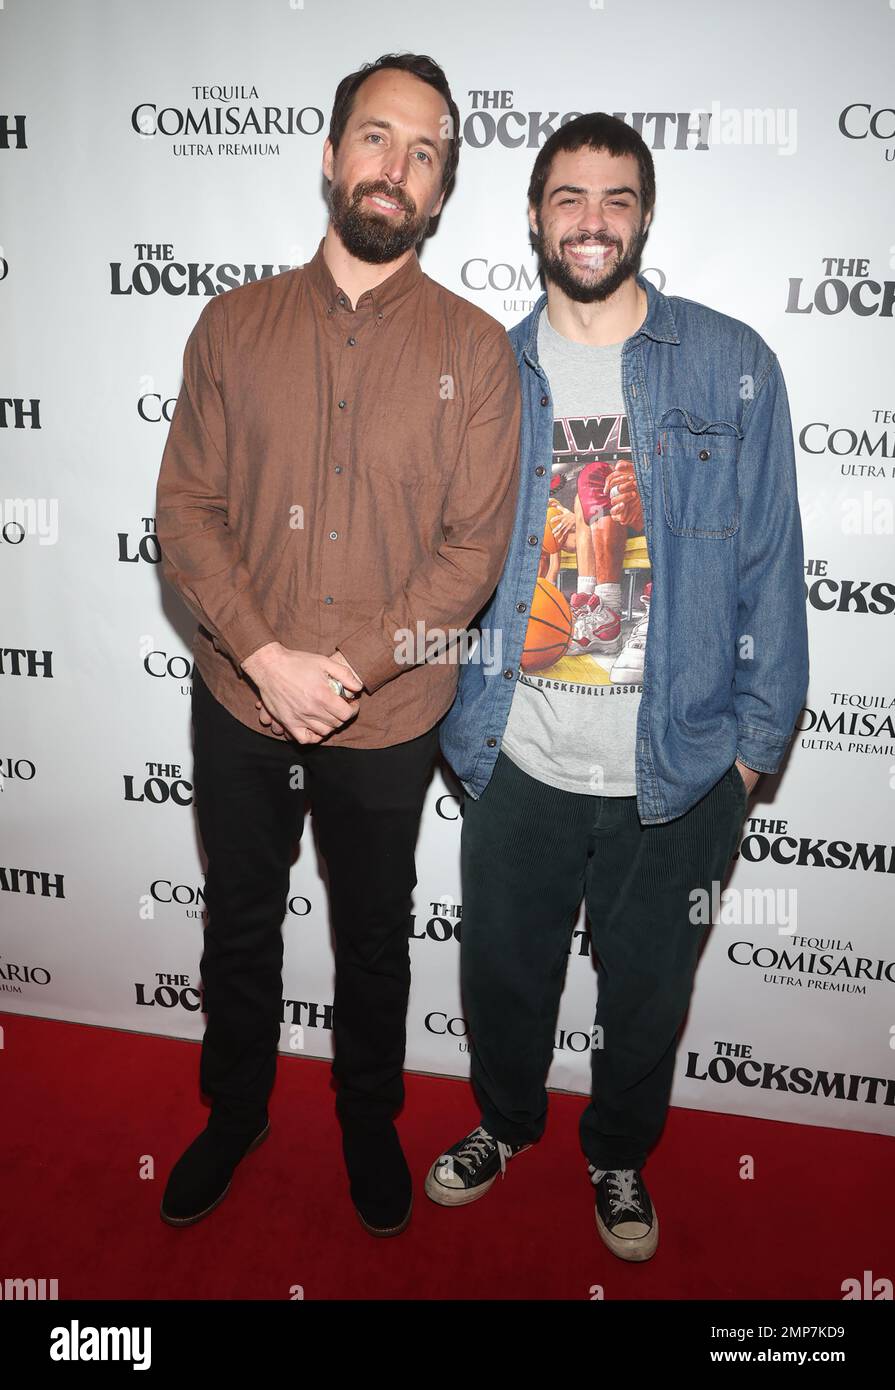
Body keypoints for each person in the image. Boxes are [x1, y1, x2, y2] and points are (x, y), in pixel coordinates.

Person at [427, 112, 809, 1262]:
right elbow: (432, 558)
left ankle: (618, 1153)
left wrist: (752, 753)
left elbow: (772, 567)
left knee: (646, 995)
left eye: (615, 198)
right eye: (568, 198)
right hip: (519, 754)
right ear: (534, 216)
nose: (591, 221)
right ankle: (502, 1121)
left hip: (681, 768)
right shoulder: (484, 372)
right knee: (502, 976)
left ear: (643, 215)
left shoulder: (731, 363)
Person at [154, 52, 521, 1238]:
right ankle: (235, 1107)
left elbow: (470, 559)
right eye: (375, 138)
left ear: (441, 186)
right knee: (240, 921)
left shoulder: (477, 355)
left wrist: (348, 671)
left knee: (372, 937)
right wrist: (266, 657)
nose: (394, 167)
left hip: (392, 716)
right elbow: (186, 514)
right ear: (329, 154)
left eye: (424, 152)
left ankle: (369, 1118)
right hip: (238, 697)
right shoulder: (231, 323)